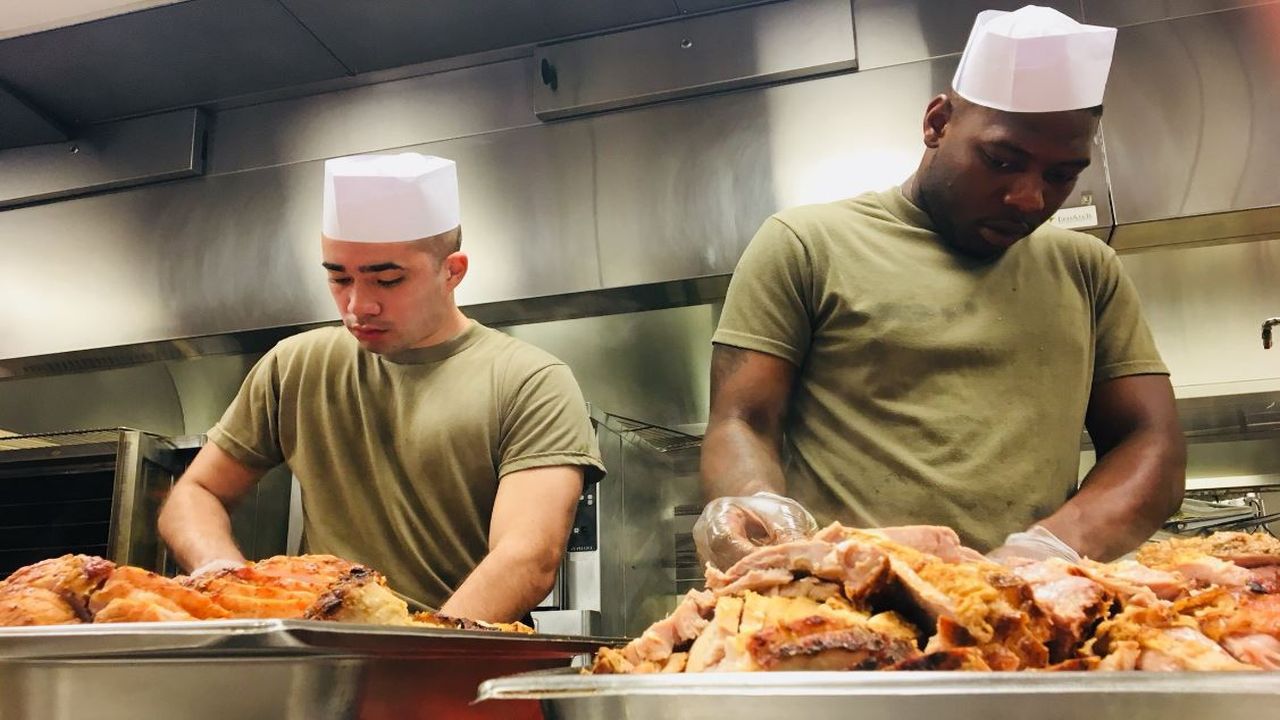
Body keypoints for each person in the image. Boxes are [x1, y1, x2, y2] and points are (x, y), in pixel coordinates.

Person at [695, 6, 1185, 569]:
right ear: (937, 123)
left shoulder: (1088, 269)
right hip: (845, 612)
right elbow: (742, 422)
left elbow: (1152, 443)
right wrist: (757, 511)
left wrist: (1048, 549)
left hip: (1029, 618)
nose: (1029, 198)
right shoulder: (806, 243)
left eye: (1061, 175)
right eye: (1001, 160)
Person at [159, 152, 604, 622]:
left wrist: (411, 659)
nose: (357, 305)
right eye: (338, 278)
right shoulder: (295, 365)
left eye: (387, 280)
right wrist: (227, 578)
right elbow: (194, 494)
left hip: (461, 665)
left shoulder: (529, 382)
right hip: (322, 659)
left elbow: (527, 559)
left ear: (452, 271)